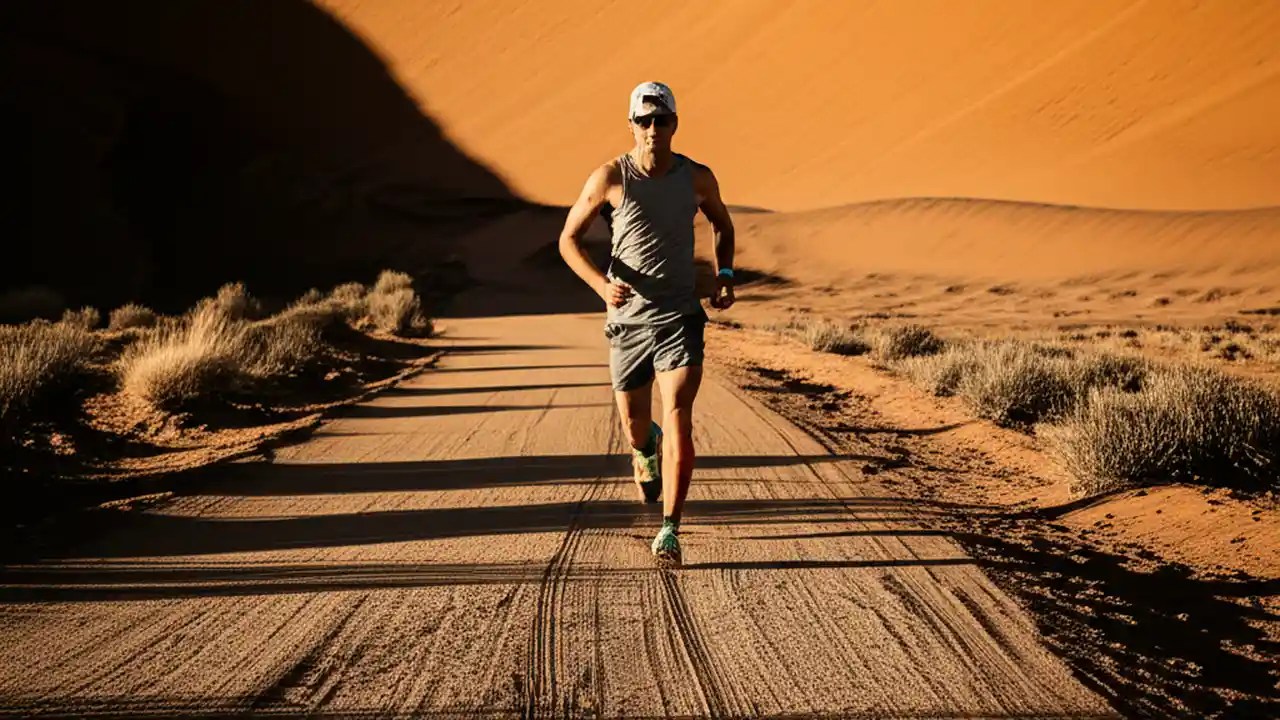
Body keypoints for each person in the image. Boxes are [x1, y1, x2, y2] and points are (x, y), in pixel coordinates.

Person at [559, 81, 736, 566]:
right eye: (644, 121)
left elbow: (723, 223)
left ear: (675, 123)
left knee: (680, 412)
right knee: (636, 425)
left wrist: (723, 274)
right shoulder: (611, 178)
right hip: (628, 322)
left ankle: (671, 528)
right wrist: (601, 286)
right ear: (632, 125)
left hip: (680, 316)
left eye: (662, 120)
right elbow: (568, 239)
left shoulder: (697, 178)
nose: (653, 129)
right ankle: (645, 449)